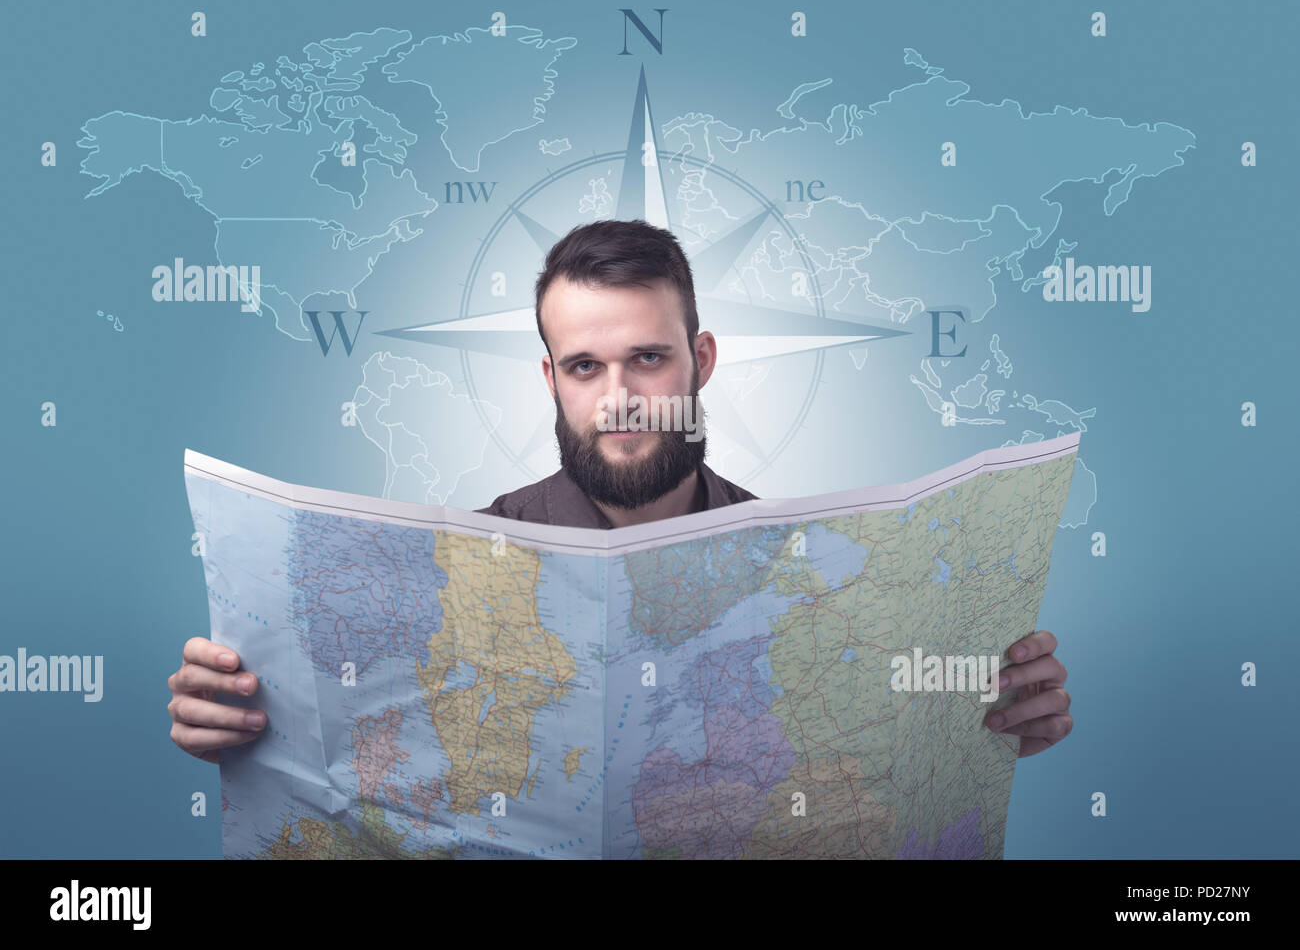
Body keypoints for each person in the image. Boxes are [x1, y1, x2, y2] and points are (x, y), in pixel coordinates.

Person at [168, 219, 1072, 765]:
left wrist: (985, 722)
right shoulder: (440, 571)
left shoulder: (815, 573)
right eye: (585, 365)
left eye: (648, 357)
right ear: (550, 378)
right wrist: (247, 721)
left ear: (700, 360)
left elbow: (888, 742)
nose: (617, 398)